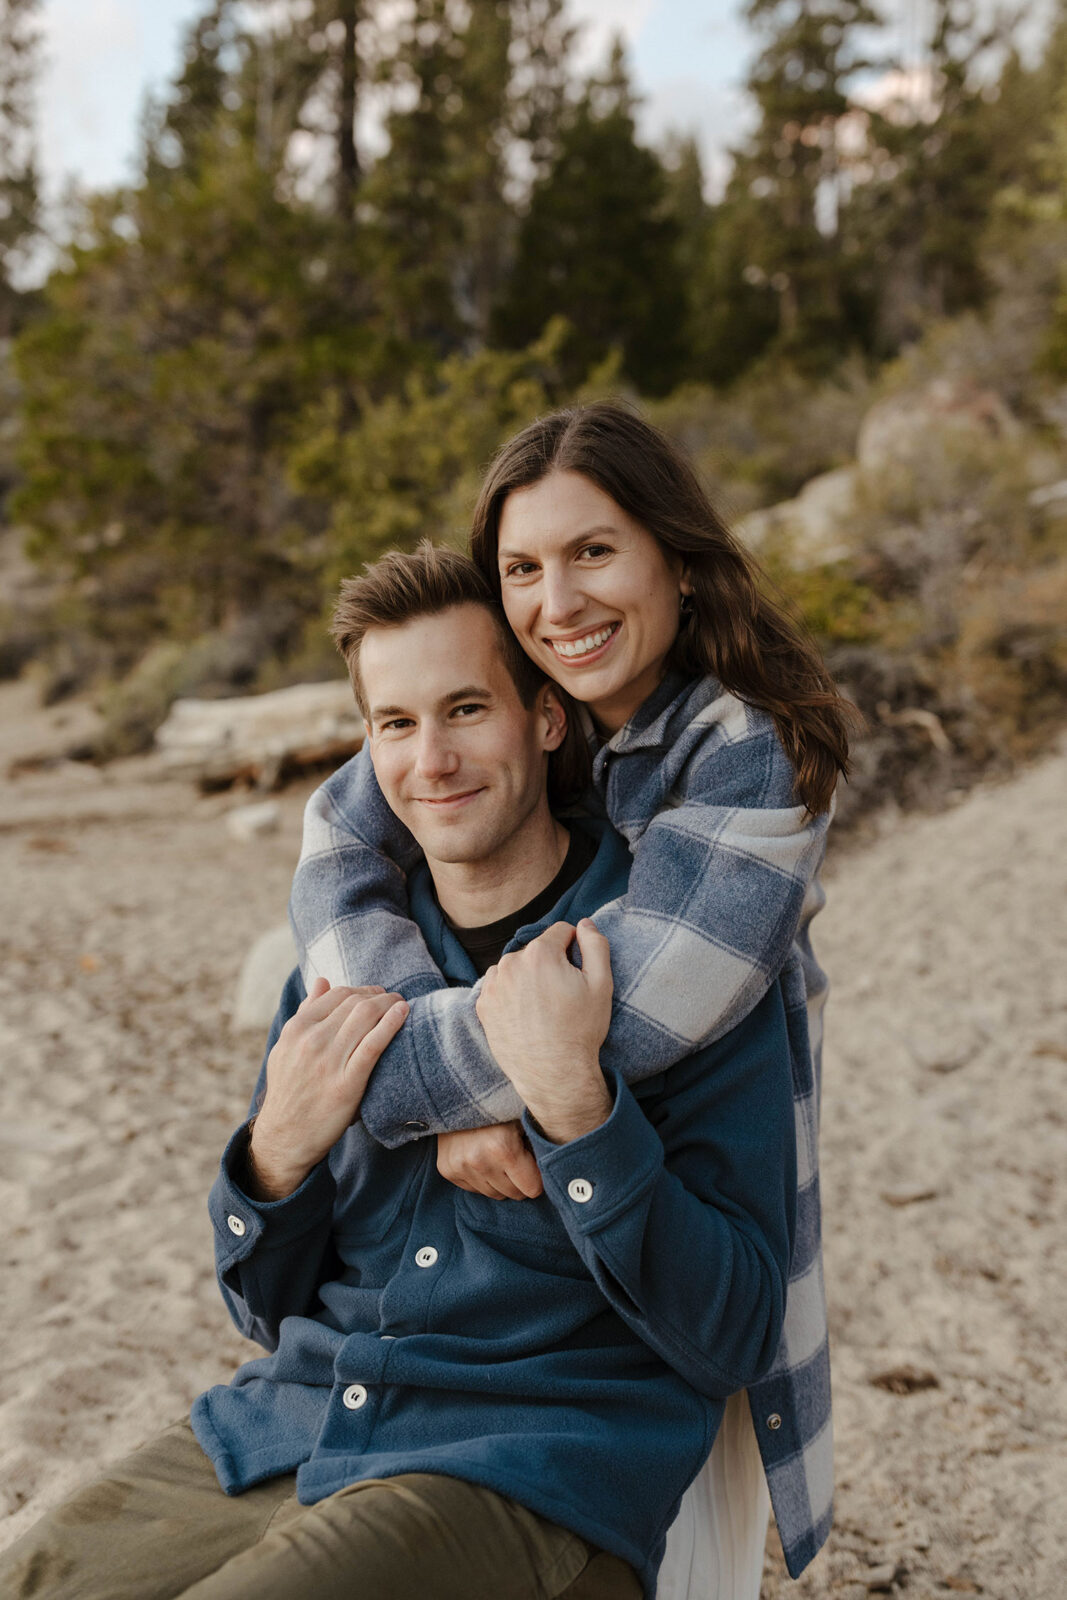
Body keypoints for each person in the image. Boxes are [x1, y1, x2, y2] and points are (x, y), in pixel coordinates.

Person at [0, 546, 797, 1600]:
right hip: (300, 1420)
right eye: (396, 723)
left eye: (466, 709)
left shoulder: (677, 971)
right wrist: (274, 1152)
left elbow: (735, 1331)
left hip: (524, 1469)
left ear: (546, 718)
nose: (433, 760)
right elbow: (262, 1306)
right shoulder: (339, 973)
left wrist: (576, 1104)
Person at [289, 404, 858, 1586]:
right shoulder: (491, 712)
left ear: (674, 558)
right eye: (520, 568)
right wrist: (439, 1092)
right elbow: (333, 850)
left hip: (693, 1139)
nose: (557, 601)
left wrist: (425, 1085)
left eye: (592, 551)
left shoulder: (741, 752)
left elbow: (621, 1009)